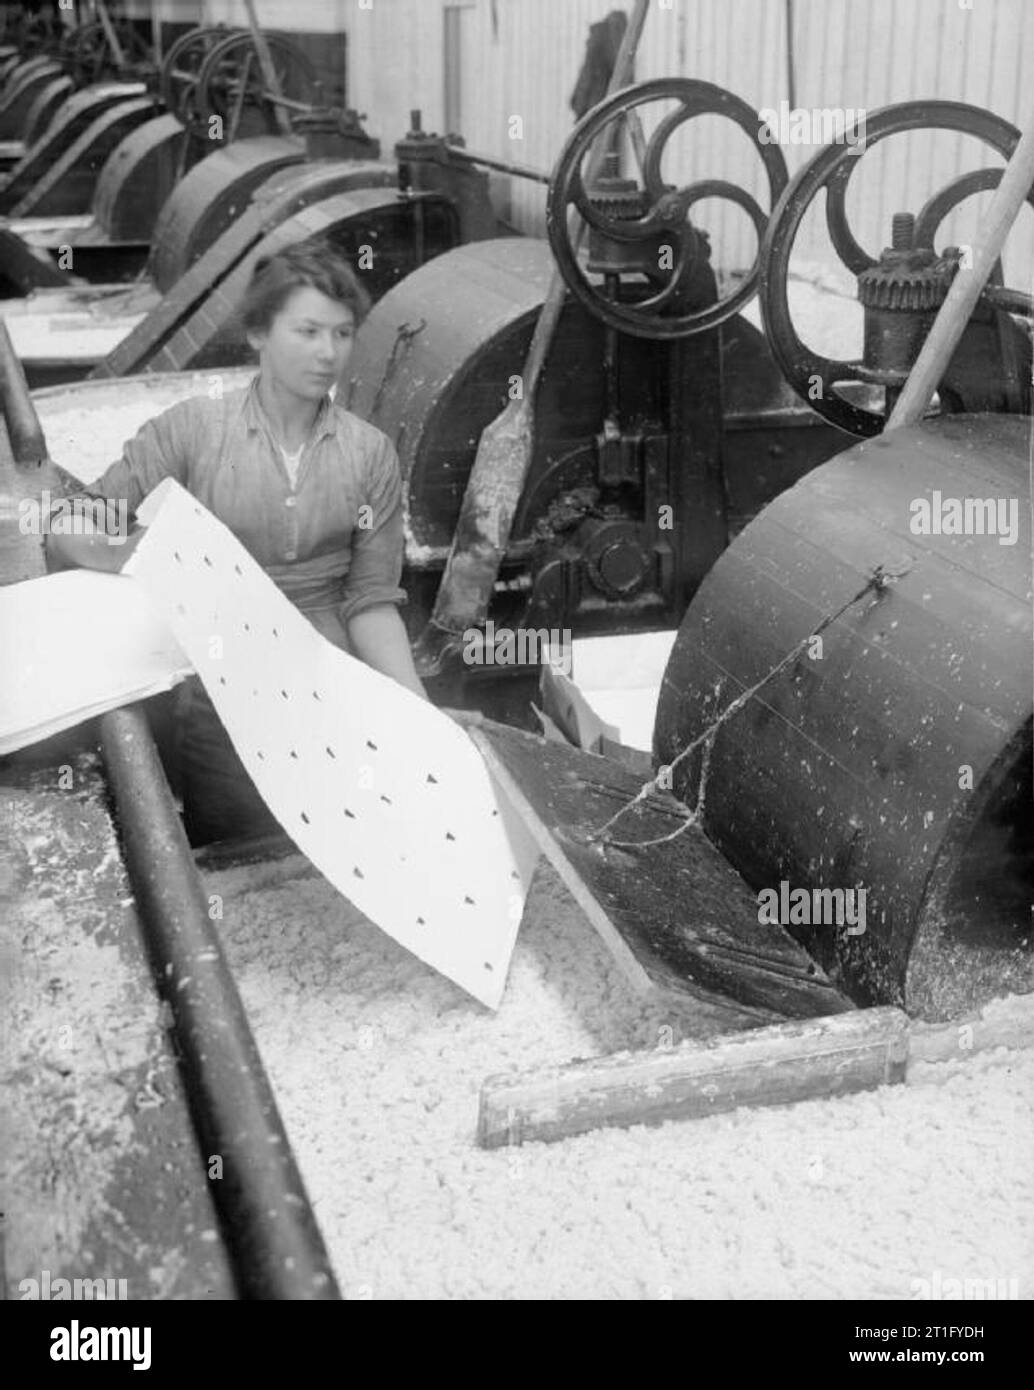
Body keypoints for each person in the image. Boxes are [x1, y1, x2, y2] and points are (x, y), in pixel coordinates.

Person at [46, 241, 427, 844]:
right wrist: (128, 555)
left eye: (343, 333)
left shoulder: (369, 452)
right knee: (233, 854)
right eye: (307, 331)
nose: (328, 352)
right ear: (257, 333)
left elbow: (371, 600)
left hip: (331, 695)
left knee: (328, 855)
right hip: (222, 701)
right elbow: (70, 520)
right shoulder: (195, 428)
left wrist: (416, 713)